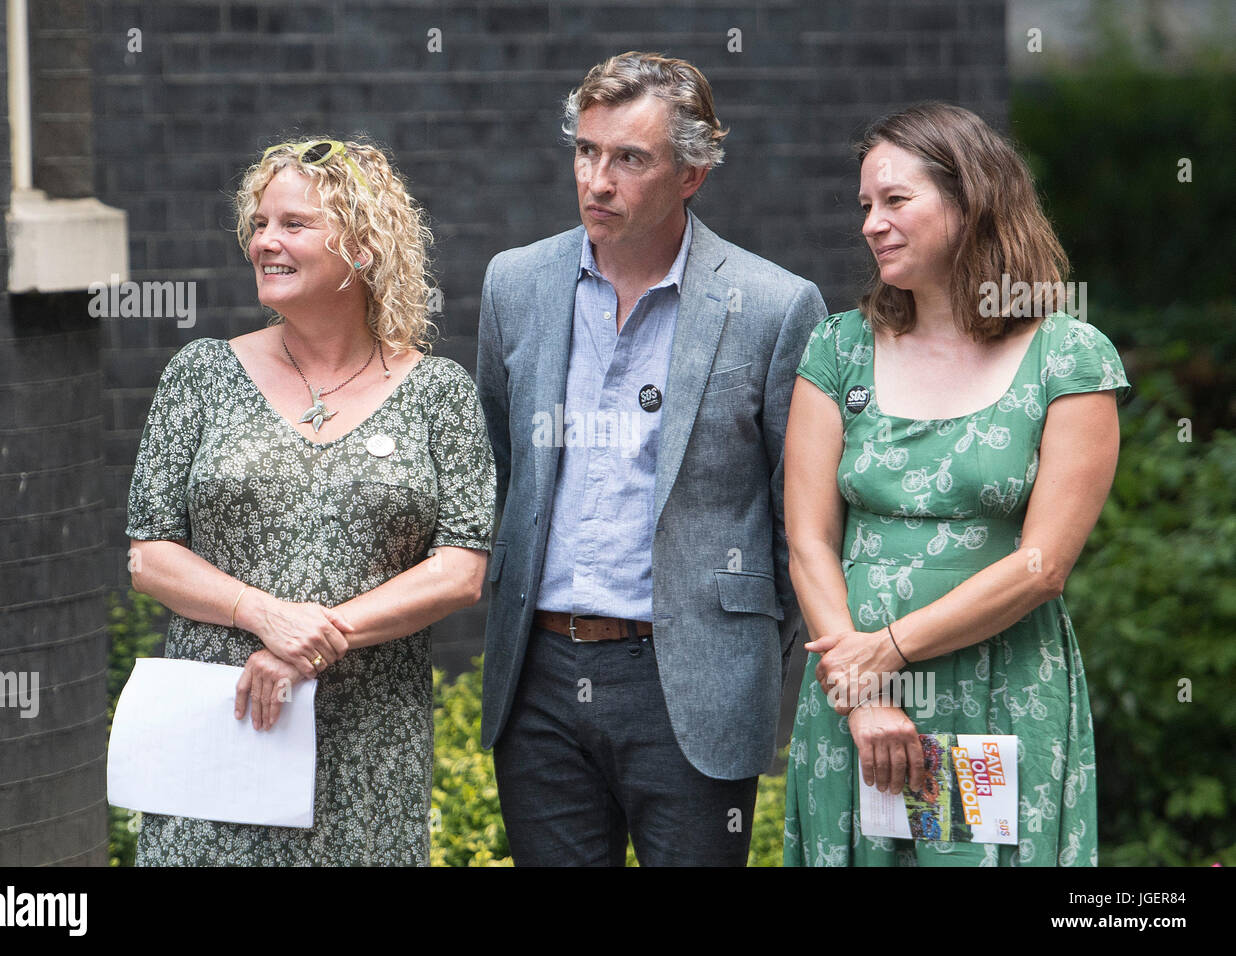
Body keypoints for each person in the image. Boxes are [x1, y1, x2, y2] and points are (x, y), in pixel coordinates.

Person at [476, 52, 828, 866]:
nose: (597, 178)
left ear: (691, 174)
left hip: (690, 682)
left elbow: (796, 514)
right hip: (538, 678)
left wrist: (737, 652)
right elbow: (504, 469)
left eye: (629, 158)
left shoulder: (775, 306)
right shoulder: (515, 284)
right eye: (586, 150)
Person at [125, 137, 495, 865]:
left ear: (360, 243)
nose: (266, 241)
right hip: (223, 730)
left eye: (293, 224)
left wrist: (313, 644)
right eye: (259, 224)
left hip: (368, 745)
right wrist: (265, 616)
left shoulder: (438, 393)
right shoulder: (200, 375)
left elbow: (460, 570)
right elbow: (149, 556)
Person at [782, 103, 1129, 866]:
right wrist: (863, 693)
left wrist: (889, 653)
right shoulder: (838, 349)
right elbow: (809, 539)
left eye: (896, 201)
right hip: (858, 707)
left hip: (992, 689)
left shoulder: (1066, 357)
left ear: (971, 199)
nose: (873, 222)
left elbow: (1044, 567)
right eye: (865, 205)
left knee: (964, 855)